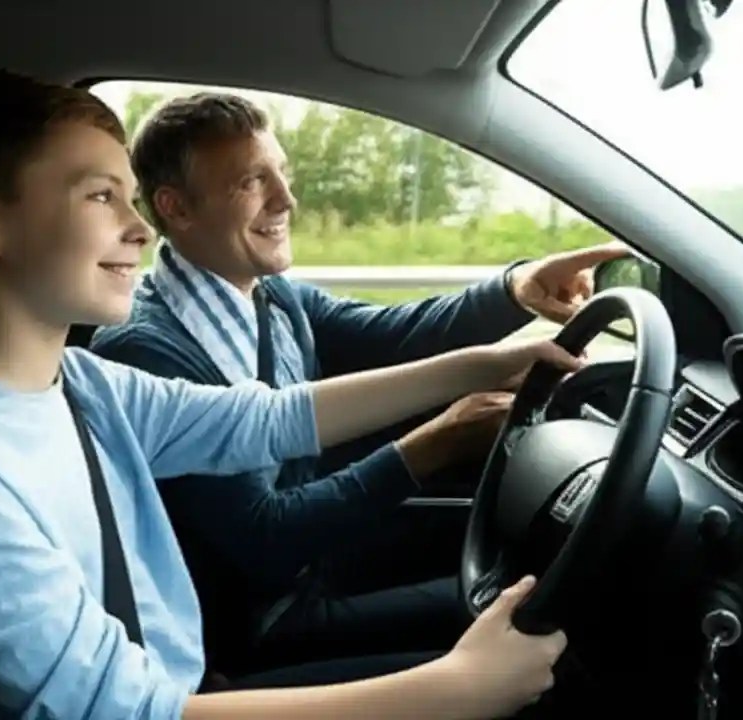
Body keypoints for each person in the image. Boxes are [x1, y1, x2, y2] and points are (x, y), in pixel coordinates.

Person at [0, 69, 578, 720]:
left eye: (132, 200)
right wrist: (453, 690)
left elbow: (266, 419)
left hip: (186, 684)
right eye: (101, 197)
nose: (140, 230)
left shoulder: (79, 384)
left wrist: (483, 363)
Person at [90, 91, 627, 668]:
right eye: (252, 182)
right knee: (539, 610)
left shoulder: (269, 299)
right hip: (257, 618)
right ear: (176, 208)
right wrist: (439, 441)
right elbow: (265, 541)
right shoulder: (145, 351)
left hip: (317, 562)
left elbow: (394, 333)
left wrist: (515, 290)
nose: (287, 198)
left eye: (282, 173)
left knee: (537, 558)